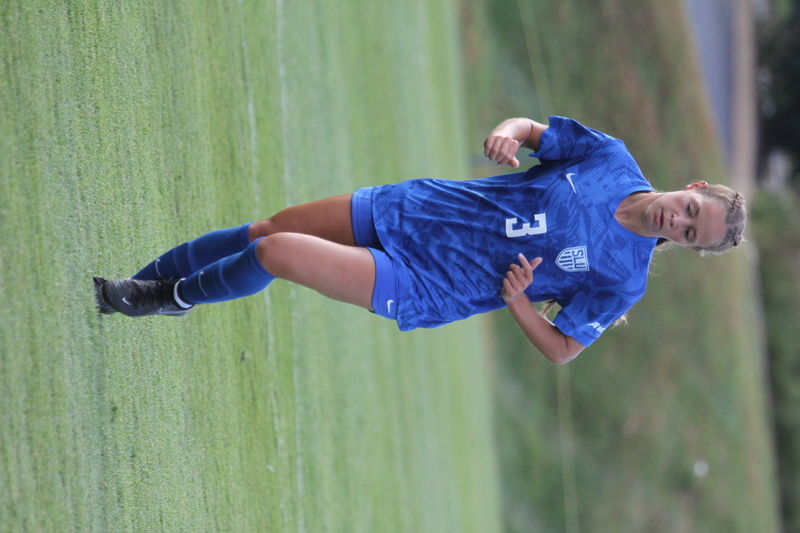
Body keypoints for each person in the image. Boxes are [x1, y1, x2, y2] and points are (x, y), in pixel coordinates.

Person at [95, 116, 746, 364]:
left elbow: (563, 349)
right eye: (691, 208)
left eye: (692, 233)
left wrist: (520, 302)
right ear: (693, 184)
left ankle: (160, 298)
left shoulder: (625, 277)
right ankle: (140, 282)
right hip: (420, 209)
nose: (679, 222)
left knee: (275, 255)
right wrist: (509, 131)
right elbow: (532, 130)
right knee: (268, 228)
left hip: (435, 285)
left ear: (688, 246)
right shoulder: (611, 155)